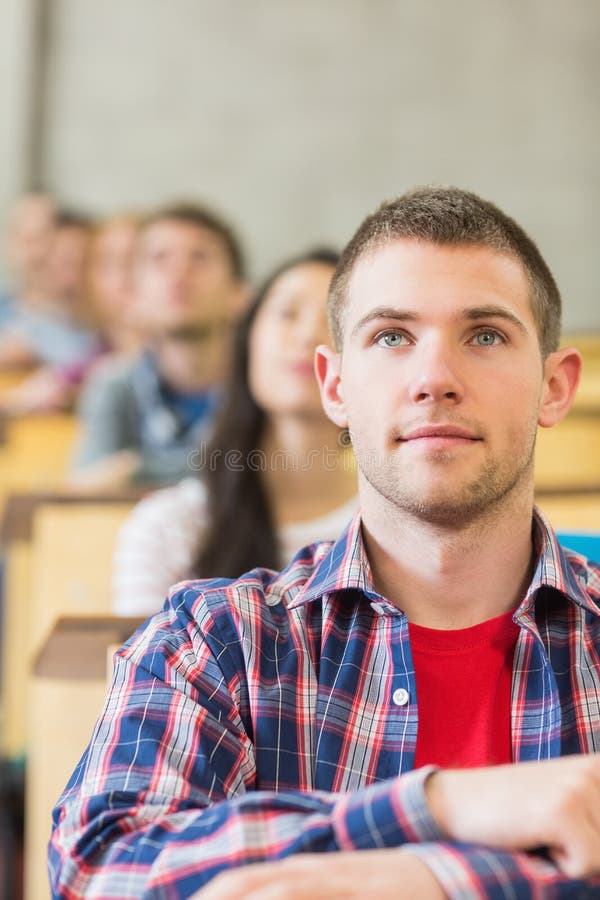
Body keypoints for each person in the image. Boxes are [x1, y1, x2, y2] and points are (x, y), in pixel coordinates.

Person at [49, 187, 600, 899]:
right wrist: (438, 809)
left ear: (555, 387)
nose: (435, 378)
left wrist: (423, 878)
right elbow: (100, 867)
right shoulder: (216, 641)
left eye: (486, 335)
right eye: (392, 337)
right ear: (335, 386)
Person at [111, 249, 357, 616]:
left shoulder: (399, 531)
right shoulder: (169, 529)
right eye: (287, 314)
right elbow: (144, 672)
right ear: (247, 342)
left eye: (333, 319)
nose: (309, 335)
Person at [67, 202, 247, 490]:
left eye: (199, 258)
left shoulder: (263, 390)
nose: (179, 273)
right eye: (159, 259)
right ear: (135, 293)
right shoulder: (113, 386)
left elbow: (282, 474)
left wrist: (134, 468)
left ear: (239, 294)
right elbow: (85, 490)